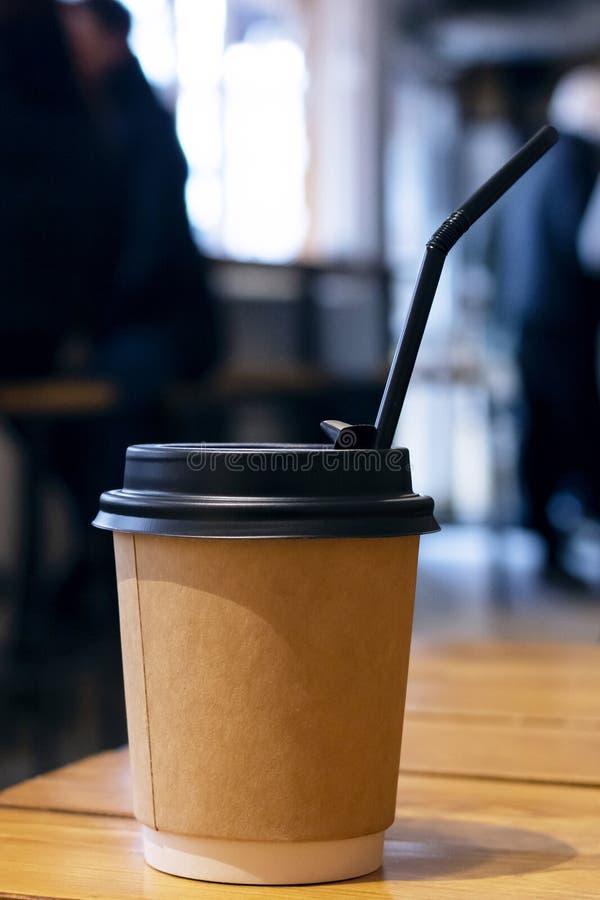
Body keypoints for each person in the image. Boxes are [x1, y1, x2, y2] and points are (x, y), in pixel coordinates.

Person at [496, 66, 600, 586]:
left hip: (528, 315)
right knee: (569, 429)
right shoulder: (580, 161)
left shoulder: (534, 158)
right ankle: (557, 546)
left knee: (540, 429)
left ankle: (545, 542)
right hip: (565, 319)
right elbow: (589, 247)